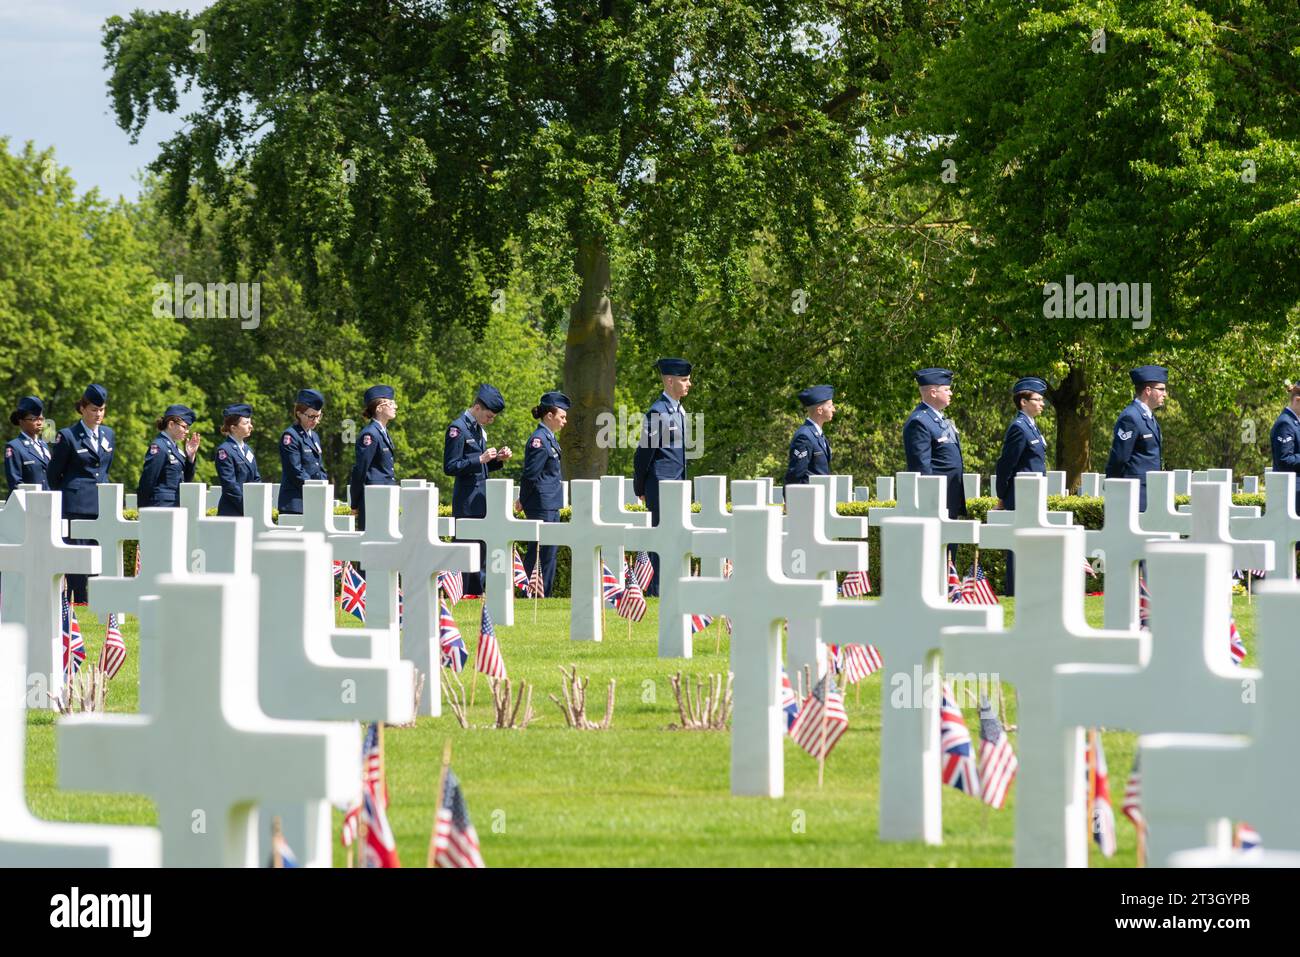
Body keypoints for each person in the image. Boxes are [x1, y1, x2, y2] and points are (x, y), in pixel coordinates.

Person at [48, 384, 115, 603]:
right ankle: (79, 599)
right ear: (83, 409)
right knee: (78, 555)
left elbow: (105, 469)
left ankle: (97, 597)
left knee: (98, 552)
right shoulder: (68, 436)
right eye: (94, 409)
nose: (99, 414)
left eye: (102, 409)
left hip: (101, 504)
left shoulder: (108, 434)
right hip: (76, 504)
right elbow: (53, 474)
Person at [444, 384, 512, 595]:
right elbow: (450, 466)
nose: (490, 421)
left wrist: (497, 459)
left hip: (481, 500)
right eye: (489, 416)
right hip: (466, 501)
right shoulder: (458, 429)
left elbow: (481, 466)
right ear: (477, 407)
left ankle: (476, 592)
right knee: (466, 550)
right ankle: (463, 592)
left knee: (481, 550)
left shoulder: (477, 430)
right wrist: (479, 458)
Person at [633, 357, 692, 597]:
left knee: (674, 539)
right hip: (661, 485)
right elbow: (644, 455)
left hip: (676, 486)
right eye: (684, 380)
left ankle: (669, 586)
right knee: (662, 539)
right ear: (669, 381)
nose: (689, 384)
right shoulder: (658, 412)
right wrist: (640, 487)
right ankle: (657, 591)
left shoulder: (678, 410)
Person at [993, 376, 1050, 596]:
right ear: (1023, 402)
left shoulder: (1031, 427)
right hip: (1021, 495)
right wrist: (1003, 495)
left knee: (1031, 542)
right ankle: (1015, 588)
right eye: (1037, 399)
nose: (1042, 403)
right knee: (1019, 544)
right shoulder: (1019, 427)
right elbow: (1006, 464)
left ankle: (1027, 586)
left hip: (1033, 493)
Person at [903, 367, 965, 563]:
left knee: (948, 549)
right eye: (947, 389)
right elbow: (921, 467)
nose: (951, 393)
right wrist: (932, 499)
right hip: (936, 499)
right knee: (935, 552)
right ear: (932, 392)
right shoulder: (919, 421)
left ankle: (947, 585)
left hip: (950, 494)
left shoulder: (938, 419)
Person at [518, 391, 569, 596]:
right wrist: (522, 499)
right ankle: (531, 594)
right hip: (541, 504)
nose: (565, 421)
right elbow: (530, 474)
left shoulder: (549, 438)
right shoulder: (539, 440)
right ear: (549, 416)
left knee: (549, 552)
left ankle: (542, 594)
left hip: (550, 502)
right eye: (562, 416)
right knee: (540, 551)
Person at [1104, 365, 1167, 512]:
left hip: (1149, 491)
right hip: (1135, 493)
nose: (1165, 394)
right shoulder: (1131, 417)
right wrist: (1113, 487)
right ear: (1148, 390)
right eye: (1161, 389)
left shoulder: (1147, 417)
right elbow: (1119, 458)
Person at [349, 385, 398, 533]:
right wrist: (355, 502)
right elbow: (360, 470)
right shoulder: (370, 435)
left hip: (384, 496)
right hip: (373, 499)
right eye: (391, 403)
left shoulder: (382, 432)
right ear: (379, 408)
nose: (395, 406)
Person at [137, 404, 199, 508]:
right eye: (184, 427)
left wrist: (190, 457)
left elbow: (186, 480)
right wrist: (142, 507)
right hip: (160, 506)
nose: (187, 431)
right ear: (171, 424)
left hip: (173, 506)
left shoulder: (174, 448)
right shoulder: (159, 446)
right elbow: (148, 480)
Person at [278, 389, 328, 515]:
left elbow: (319, 467)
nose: (316, 421)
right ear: (299, 413)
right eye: (311, 416)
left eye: (318, 416)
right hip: (296, 502)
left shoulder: (314, 436)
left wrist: (324, 486)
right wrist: (315, 489)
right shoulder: (290, 436)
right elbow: (295, 470)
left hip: (314, 498)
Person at [214, 404, 261, 517]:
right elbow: (230, 485)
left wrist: (258, 499)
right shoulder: (225, 450)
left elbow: (256, 477)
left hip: (250, 508)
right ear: (233, 428)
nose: (251, 426)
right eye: (246, 423)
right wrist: (246, 505)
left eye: (250, 422)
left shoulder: (247, 449)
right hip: (232, 510)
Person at [784, 385, 835, 486]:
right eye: (830, 406)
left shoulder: (818, 435)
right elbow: (795, 474)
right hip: (808, 498)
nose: (833, 409)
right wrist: (790, 500)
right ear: (819, 410)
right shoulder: (804, 436)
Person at [6, 396, 51, 494]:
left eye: (41, 419)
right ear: (21, 421)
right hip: (27, 504)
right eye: (34, 419)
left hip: (47, 502)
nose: (39, 423)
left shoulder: (44, 445)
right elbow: (15, 482)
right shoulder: (14, 447)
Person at [1269, 380, 1300, 520]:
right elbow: (1284, 460)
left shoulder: (1294, 422)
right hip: (1292, 493)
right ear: (1297, 400)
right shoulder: (1285, 424)